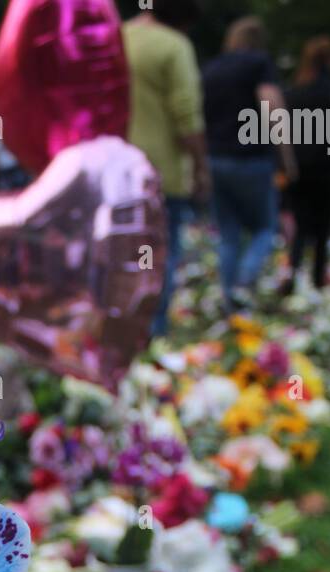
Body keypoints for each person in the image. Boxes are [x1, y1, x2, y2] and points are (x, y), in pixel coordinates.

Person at [123, 0, 209, 338]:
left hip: (116, 172)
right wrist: (201, 167)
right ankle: (152, 333)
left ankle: (119, 330)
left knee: (123, 258)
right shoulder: (174, 45)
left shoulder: (118, 36)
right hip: (161, 172)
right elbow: (186, 115)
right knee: (158, 259)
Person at [203, 17, 296, 309]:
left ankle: (231, 305)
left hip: (215, 158)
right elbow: (271, 105)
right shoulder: (259, 64)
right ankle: (244, 283)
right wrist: (287, 156)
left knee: (228, 235)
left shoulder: (212, 69)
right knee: (265, 228)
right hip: (251, 158)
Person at [284, 38, 330, 293]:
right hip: (326, 166)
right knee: (322, 227)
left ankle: (292, 274)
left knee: (301, 225)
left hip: (300, 167)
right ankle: (318, 278)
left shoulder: (294, 91)